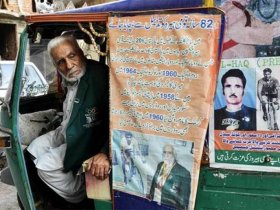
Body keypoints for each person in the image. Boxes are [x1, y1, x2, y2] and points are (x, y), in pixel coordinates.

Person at [24, 35, 110, 208]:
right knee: (30, 152)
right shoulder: (68, 76)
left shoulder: (100, 76)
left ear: (81, 53)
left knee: (44, 167)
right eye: (61, 62)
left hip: (86, 137)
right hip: (67, 128)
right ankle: (43, 201)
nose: (69, 65)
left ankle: (78, 200)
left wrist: (105, 151)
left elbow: (116, 119)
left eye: (72, 56)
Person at [149, 144, 191, 210]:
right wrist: (150, 197)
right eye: (164, 152)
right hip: (155, 203)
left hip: (169, 206)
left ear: (174, 154)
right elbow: (154, 183)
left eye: (169, 153)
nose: (166, 155)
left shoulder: (184, 172)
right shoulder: (160, 165)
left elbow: (184, 201)